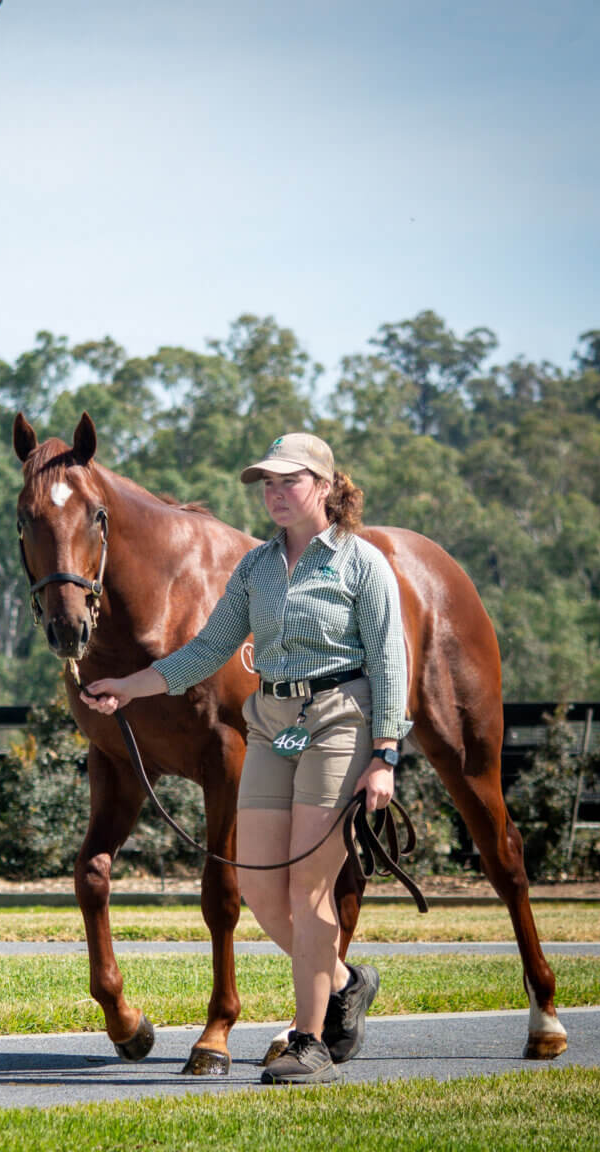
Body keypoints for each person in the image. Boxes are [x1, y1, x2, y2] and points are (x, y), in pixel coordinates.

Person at [82, 431, 408, 1085]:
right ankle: (346, 982)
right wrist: (131, 685)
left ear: (323, 486)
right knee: (258, 885)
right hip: (274, 726)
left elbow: (390, 657)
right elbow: (206, 651)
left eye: (288, 481)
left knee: (309, 887)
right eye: (267, 483)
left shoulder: (359, 563)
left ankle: (310, 1040)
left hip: (340, 722)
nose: (274, 493)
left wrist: (385, 754)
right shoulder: (257, 567)